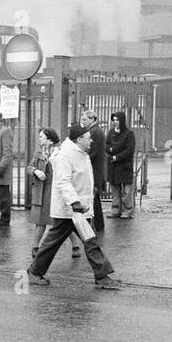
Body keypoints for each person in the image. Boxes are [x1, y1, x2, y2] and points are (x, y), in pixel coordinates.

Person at [25, 124, 124, 290]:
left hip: (78, 210)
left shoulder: (80, 153)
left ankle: (101, 276)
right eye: (88, 138)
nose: (91, 140)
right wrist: (74, 202)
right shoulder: (66, 155)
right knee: (60, 242)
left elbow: (81, 177)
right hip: (69, 210)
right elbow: (63, 181)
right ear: (79, 139)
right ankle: (35, 272)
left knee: (88, 241)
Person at [29, 126, 80, 259]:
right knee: (40, 220)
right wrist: (36, 171)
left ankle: (76, 246)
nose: (39, 139)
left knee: (62, 220)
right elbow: (29, 167)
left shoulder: (60, 151)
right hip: (42, 190)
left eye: (41, 136)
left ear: (49, 138)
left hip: (56, 190)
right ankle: (35, 247)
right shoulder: (38, 152)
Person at [80, 109, 108, 231]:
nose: (83, 122)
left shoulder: (93, 132)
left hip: (94, 170)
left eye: (85, 119)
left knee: (94, 198)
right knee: (95, 199)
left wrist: (82, 161)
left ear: (92, 119)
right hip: (98, 169)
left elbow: (93, 152)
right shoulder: (97, 131)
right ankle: (98, 225)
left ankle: (97, 225)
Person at [106, 110, 137, 220]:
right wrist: (112, 151)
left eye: (117, 120)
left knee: (127, 191)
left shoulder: (129, 134)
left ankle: (127, 211)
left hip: (124, 166)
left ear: (122, 120)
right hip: (113, 166)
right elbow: (107, 146)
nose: (115, 122)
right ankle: (115, 210)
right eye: (113, 120)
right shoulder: (110, 133)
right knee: (115, 190)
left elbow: (129, 150)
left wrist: (116, 155)